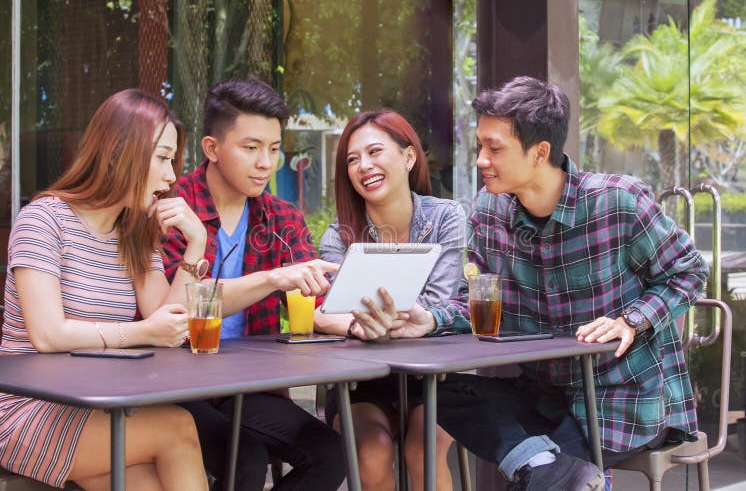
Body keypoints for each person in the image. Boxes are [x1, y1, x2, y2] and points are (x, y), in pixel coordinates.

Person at [353, 76, 709, 491]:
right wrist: (428, 319)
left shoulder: (618, 202)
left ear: (540, 152)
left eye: (495, 148)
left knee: (540, 485)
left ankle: (537, 467)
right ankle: (538, 462)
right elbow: (476, 298)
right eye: (480, 145)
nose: (482, 159)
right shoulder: (490, 212)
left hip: (621, 398)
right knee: (438, 394)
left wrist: (631, 320)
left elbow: (689, 271)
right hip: (541, 392)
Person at [0, 89, 209, 491]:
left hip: (95, 404)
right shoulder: (43, 221)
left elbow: (168, 325)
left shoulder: (133, 234)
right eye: (164, 158)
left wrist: (195, 245)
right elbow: (47, 335)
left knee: (152, 484)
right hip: (27, 408)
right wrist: (140, 334)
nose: (172, 176)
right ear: (120, 152)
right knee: (179, 427)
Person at [161, 78, 344, 491]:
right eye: (251, 147)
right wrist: (271, 278)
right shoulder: (173, 208)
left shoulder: (282, 218)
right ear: (212, 148)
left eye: (274, 149)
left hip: (248, 387)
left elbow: (316, 305)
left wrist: (366, 311)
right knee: (245, 459)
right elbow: (182, 307)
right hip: (174, 384)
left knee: (329, 454)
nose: (266, 162)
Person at [315, 110, 466, 490]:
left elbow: (438, 300)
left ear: (408, 157)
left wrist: (369, 323)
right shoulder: (339, 234)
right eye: (352, 159)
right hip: (362, 378)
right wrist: (356, 324)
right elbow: (329, 310)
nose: (363, 166)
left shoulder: (446, 217)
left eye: (375, 152)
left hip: (434, 370)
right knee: (372, 452)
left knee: (424, 448)